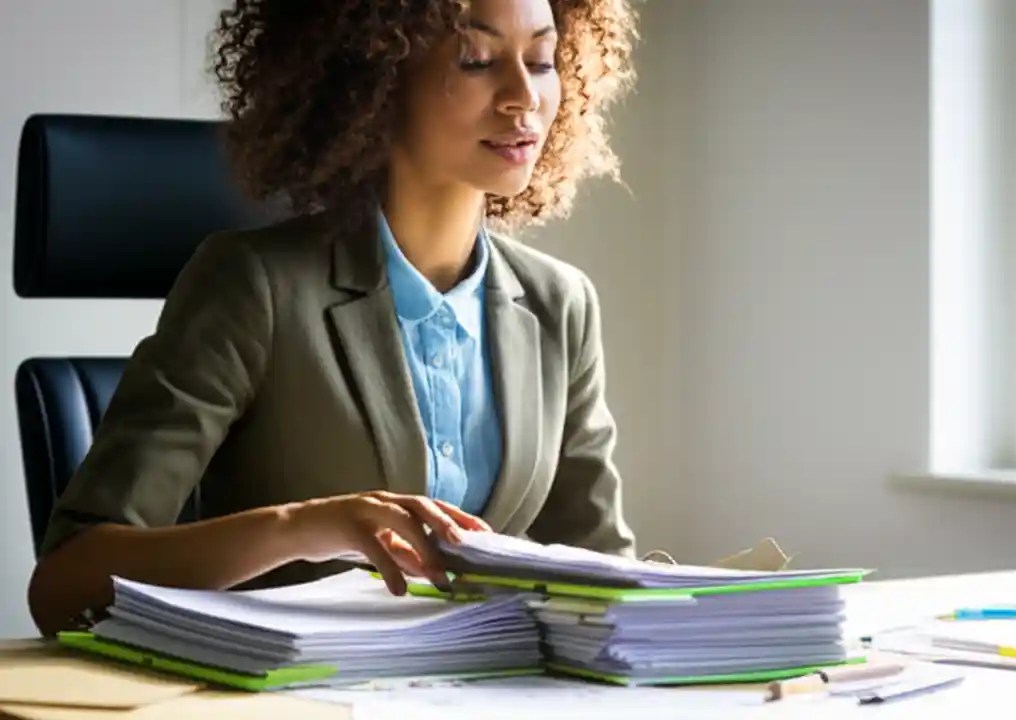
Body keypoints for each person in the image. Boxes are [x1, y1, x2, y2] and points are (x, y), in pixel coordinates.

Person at [28, 0, 638, 637]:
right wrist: (306, 526)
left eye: (541, 61)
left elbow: (605, 577)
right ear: (374, 76)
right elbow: (68, 585)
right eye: (476, 60)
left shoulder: (558, 305)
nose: (524, 97)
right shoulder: (253, 287)